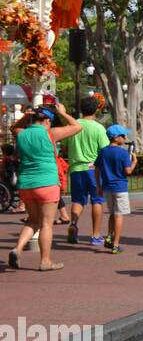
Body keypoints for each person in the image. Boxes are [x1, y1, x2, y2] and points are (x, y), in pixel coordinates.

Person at [10, 103, 83, 271]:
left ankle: (17, 249)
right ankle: (45, 261)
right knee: (46, 224)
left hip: (26, 183)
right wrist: (62, 112)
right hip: (47, 182)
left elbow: (15, 127)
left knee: (33, 220)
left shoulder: (21, 134)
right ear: (48, 121)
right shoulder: (51, 133)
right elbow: (77, 126)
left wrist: (25, 117)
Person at [66, 95, 110, 247]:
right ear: (96, 109)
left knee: (78, 200)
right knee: (97, 200)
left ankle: (73, 224)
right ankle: (96, 235)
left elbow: (65, 146)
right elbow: (104, 150)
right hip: (93, 169)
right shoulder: (98, 128)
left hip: (76, 168)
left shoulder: (73, 125)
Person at [95, 125, 137, 253]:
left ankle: (109, 236)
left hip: (107, 187)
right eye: (123, 136)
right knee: (119, 215)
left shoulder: (103, 152)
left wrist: (98, 185)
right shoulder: (123, 153)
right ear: (116, 137)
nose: (125, 138)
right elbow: (128, 171)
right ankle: (116, 244)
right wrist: (134, 162)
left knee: (112, 214)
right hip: (120, 187)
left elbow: (97, 169)